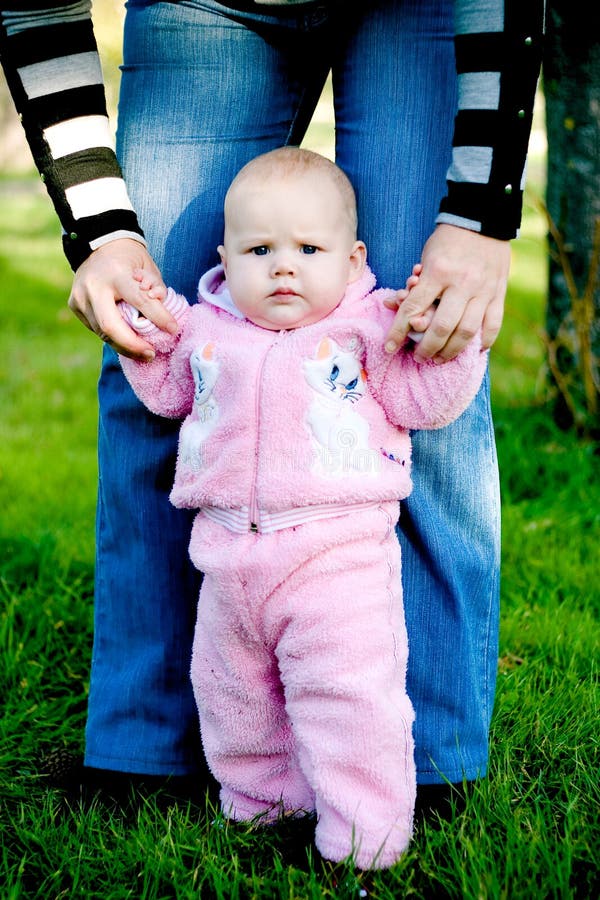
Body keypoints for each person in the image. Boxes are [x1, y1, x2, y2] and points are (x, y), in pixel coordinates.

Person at [0, 1, 544, 813]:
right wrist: (102, 233)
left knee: (428, 333)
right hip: (207, 5)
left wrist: (478, 218)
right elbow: (34, 10)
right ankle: (149, 747)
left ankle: (427, 762)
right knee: (149, 333)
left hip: (420, 2)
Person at [117, 146, 488, 868]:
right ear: (225, 257)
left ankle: (364, 839)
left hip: (335, 561)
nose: (283, 266)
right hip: (227, 559)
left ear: (352, 261)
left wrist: (448, 342)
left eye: (308, 249)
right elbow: (167, 392)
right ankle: (262, 811)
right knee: (234, 699)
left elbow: (427, 402)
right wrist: (150, 326)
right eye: (260, 249)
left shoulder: (370, 327)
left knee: (351, 703)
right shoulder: (206, 332)